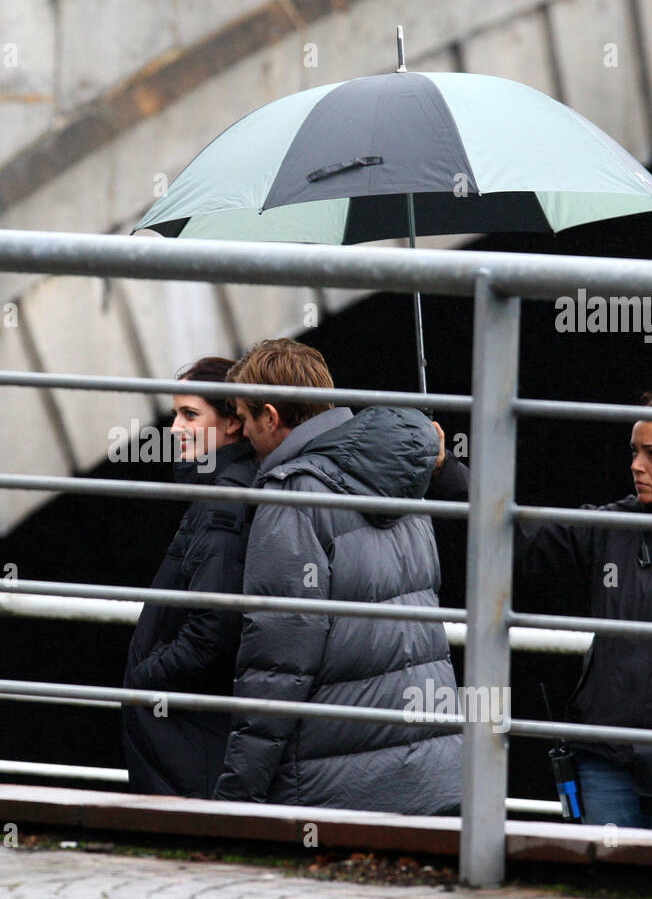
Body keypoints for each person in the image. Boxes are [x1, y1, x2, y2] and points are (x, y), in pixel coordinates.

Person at [437, 387, 652, 836]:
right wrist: (447, 470)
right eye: (634, 451)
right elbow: (516, 537)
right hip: (604, 764)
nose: (636, 465)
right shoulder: (613, 527)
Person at [210, 339, 462, 813]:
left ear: (270, 415)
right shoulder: (403, 482)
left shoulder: (292, 498)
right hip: (433, 770)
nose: (241, 432)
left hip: (339, 782)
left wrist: (238, 793)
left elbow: (279, 660)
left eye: (244, 418)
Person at [122, 357, 256, 797]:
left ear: (234, 424)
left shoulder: (223, 500)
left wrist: (146, 677)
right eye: (176, 413)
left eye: (190, 415)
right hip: (187, 726)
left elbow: (215, 629)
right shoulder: (216, 490)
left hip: (188, 730)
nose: (175, 427)